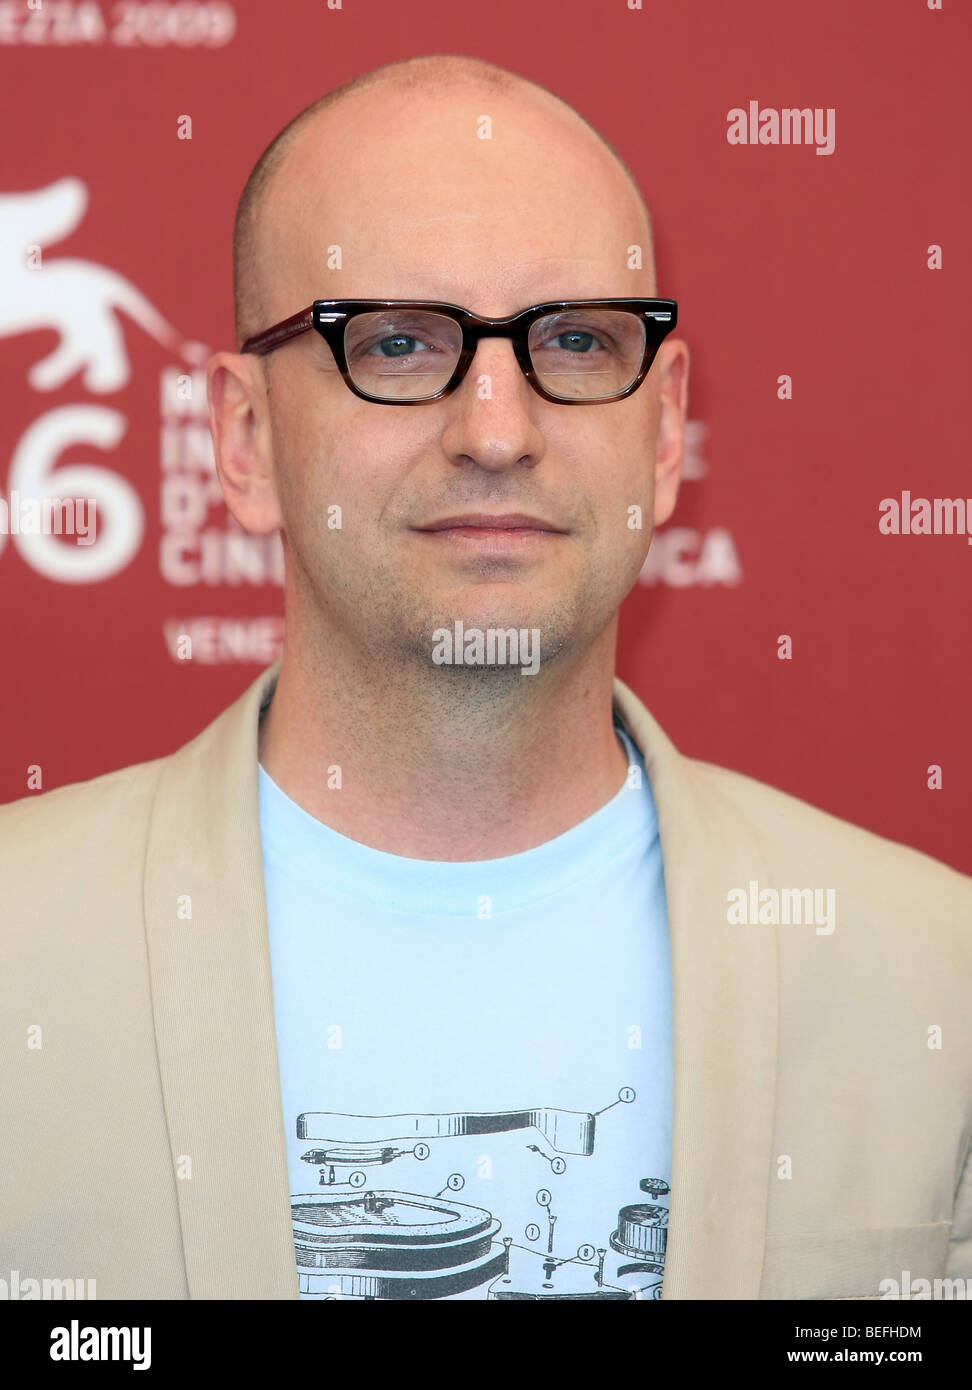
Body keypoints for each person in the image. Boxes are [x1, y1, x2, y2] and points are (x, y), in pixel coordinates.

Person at [1, 53, 970, 1303]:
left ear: (666, 432)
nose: (497, 429)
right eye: (398, 342)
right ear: (243, 441)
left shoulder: (932, 976)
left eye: (575, 340)